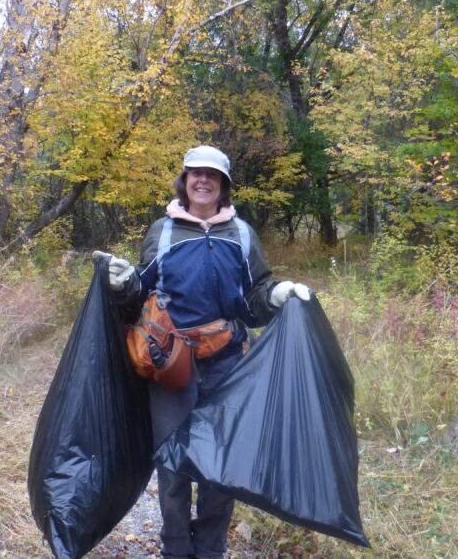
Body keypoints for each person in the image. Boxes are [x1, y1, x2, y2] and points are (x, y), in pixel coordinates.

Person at [95, 145, 310, 559]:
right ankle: (175, 548)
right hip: (172, 366)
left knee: (220, 466)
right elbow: (142, 293)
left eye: (213, 175)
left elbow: (254, 297)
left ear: (225, 185)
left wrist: (277, 293)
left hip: (228, 364)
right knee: (173, 465)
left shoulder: (242, 234)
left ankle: (211, 548)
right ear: (184, 179)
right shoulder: (164, 230)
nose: (203, 181)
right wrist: (123, 283)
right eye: (196, 173)